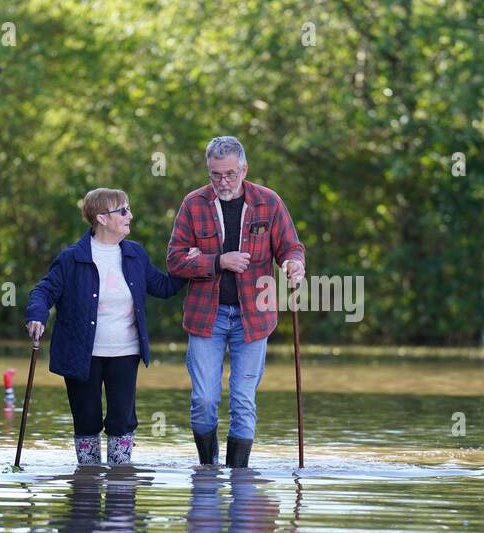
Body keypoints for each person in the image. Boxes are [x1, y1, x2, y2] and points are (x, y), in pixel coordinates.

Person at [166, 136, 305, 467]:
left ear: (244, 169)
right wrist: (217, 261)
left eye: (229, 174)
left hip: (253, 318)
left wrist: (293, 263)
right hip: (205, 316)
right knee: (204, 399)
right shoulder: (194, 203)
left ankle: (239, 477)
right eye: (215, 175)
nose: (222, 182)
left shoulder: (268, 202)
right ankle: (208, 469)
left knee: (243, 399)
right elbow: (174, 260)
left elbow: (290, 246)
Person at [26, 188, 185, 466]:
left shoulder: (135, 253)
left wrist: (194, 265)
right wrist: (36, 315)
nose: (129, 216)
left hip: (125, 351)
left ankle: (120, 491)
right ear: (101, 218)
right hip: (81, 353)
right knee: (86, 419)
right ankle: (86, 489)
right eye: (122, 211)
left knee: (121, 421)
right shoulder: (72, 257)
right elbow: (44, 291)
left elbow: (162, 286)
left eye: (128, 209)